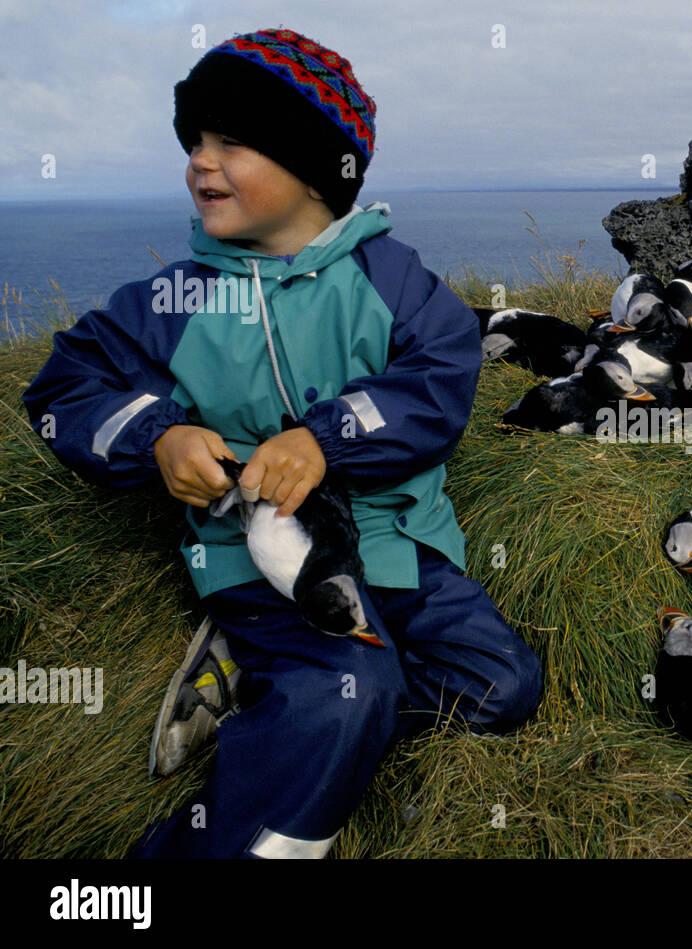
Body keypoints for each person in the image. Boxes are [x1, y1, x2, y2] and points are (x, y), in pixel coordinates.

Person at [22, 28, 542, 858]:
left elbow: (440, 380)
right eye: (194, 141)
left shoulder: (391, 278)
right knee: (348, 692)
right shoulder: (170, 298)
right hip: (260, 552)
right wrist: (156, 435)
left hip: (398, 543)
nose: (200, 160)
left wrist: (327, 438)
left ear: (312, 167)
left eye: (231, 141)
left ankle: (255, 690)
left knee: (501, 685)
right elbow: (61, 388)